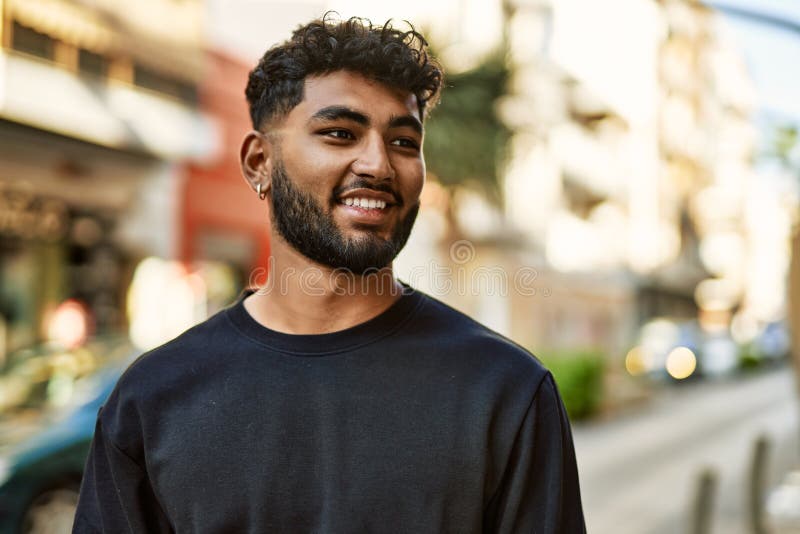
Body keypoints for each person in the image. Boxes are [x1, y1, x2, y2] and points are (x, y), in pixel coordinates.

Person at [73, 14, 585, 534]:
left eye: (405, 142)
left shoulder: (507, 391)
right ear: (258, 162)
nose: (379, 165)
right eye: (340, 133)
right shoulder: (153, 398)